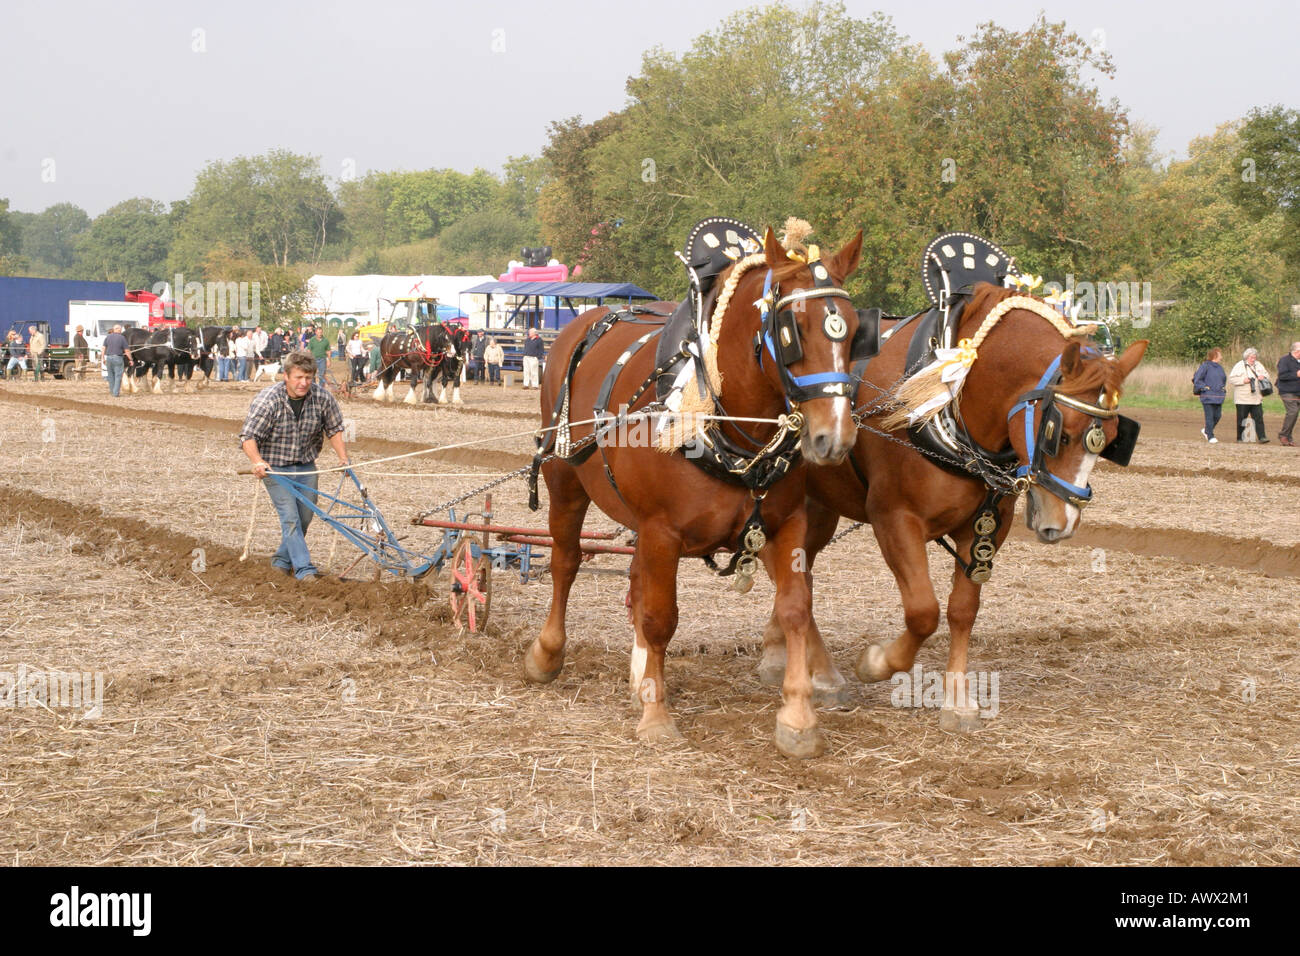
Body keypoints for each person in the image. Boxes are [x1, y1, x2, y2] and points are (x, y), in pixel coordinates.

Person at [239, 350, 348, 582]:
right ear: (286, 376)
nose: (304, 383)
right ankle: (304, 570)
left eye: (308, 378)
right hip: (276, 470)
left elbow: (335, 428)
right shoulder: (268, 400)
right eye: (298, 377)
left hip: (307, 466)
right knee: (290, 518)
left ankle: (281, 560)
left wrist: (343, 458)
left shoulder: (322, 398)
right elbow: (248, 437)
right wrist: (257, 461)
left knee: (305, 518)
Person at [1227, 347, 1271, 443]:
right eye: (1251, 357)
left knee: (1259, 417)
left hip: (1256, 397)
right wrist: (1243, 380)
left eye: (1255, 357)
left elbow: (1267, 375)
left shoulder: (1259, 365)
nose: (1253, 359)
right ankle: (1240, 438)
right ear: (1246, 357)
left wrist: (1263, 377)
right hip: (1242, 398)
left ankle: (1262, 437)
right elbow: (1231, 379)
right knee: (1242, 418)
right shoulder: (1239, 365)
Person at [1192, 348, 1228, 443]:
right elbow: (1197, 379)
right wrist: (1204, 387)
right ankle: (1210, 436)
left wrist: (1223, 388)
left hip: (1218, 396)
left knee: (1217, 416)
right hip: (1207, 396)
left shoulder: (1220, 367)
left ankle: (1207, 430)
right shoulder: (1205, 366)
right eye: (1220, 355)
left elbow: (1223, 379)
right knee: (1209, 417)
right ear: (1215, 355)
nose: (1221, 357)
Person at [1277, 341, 1300, 447]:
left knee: (1294, 415)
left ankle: (1288, 437)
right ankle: (1283, 435)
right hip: (1287, 391)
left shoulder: (1298, 361)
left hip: (1297, 391)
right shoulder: (1284, 360)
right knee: (1293, 412)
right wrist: (1296, 374)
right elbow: (1282, 376)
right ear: (1297, 351)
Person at [101, 324, 131, 397]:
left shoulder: (108, 337)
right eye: (120, 330)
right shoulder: (122, 338)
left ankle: (112, 392)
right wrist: (131, 359)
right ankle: (115, 393)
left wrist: (103, 358)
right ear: (119, 330)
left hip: (109, 358)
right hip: (118, 358)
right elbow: (126, 350)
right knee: (118, 376)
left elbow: (103, 348)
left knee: (110, 376)